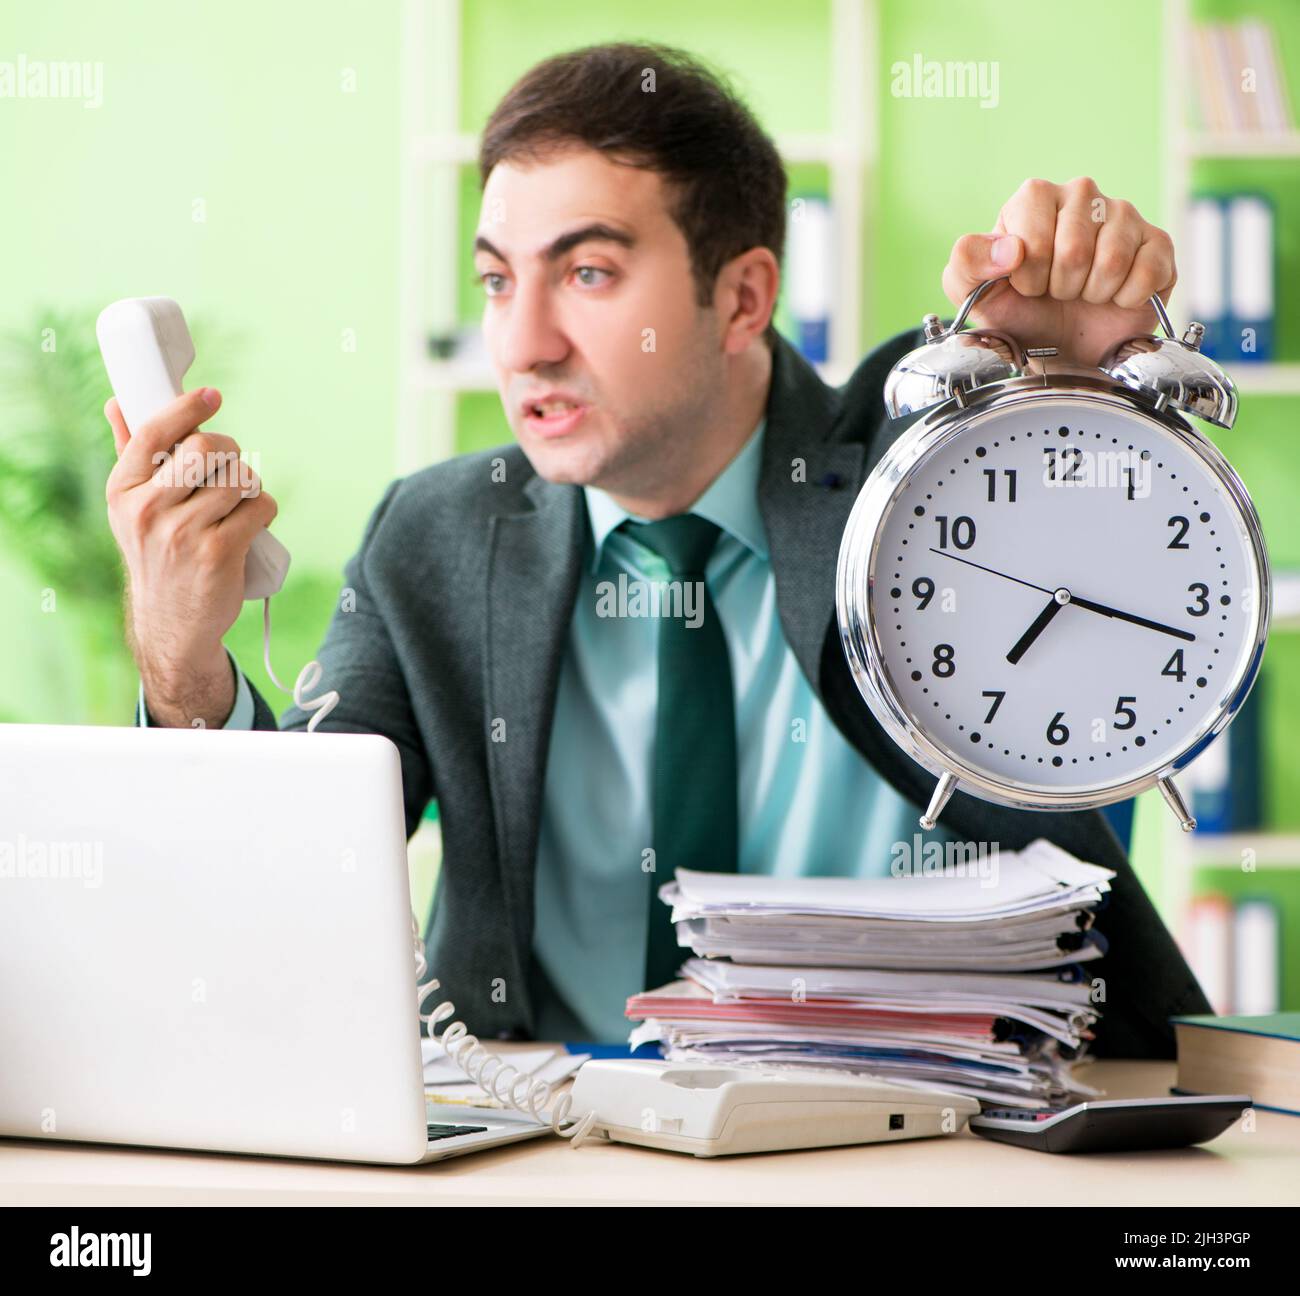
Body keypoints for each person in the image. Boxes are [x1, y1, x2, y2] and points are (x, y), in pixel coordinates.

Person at [105, 41, 1209, 1051]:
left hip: (944, 1142)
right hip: (554, 1155)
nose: (525, 346)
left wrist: (1073, 385)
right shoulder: (434, 538)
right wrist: (183, 667)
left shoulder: (921, 473)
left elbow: (1137, 595)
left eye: (586, 274)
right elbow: (293, 884)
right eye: (497, 281)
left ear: (742, 298)